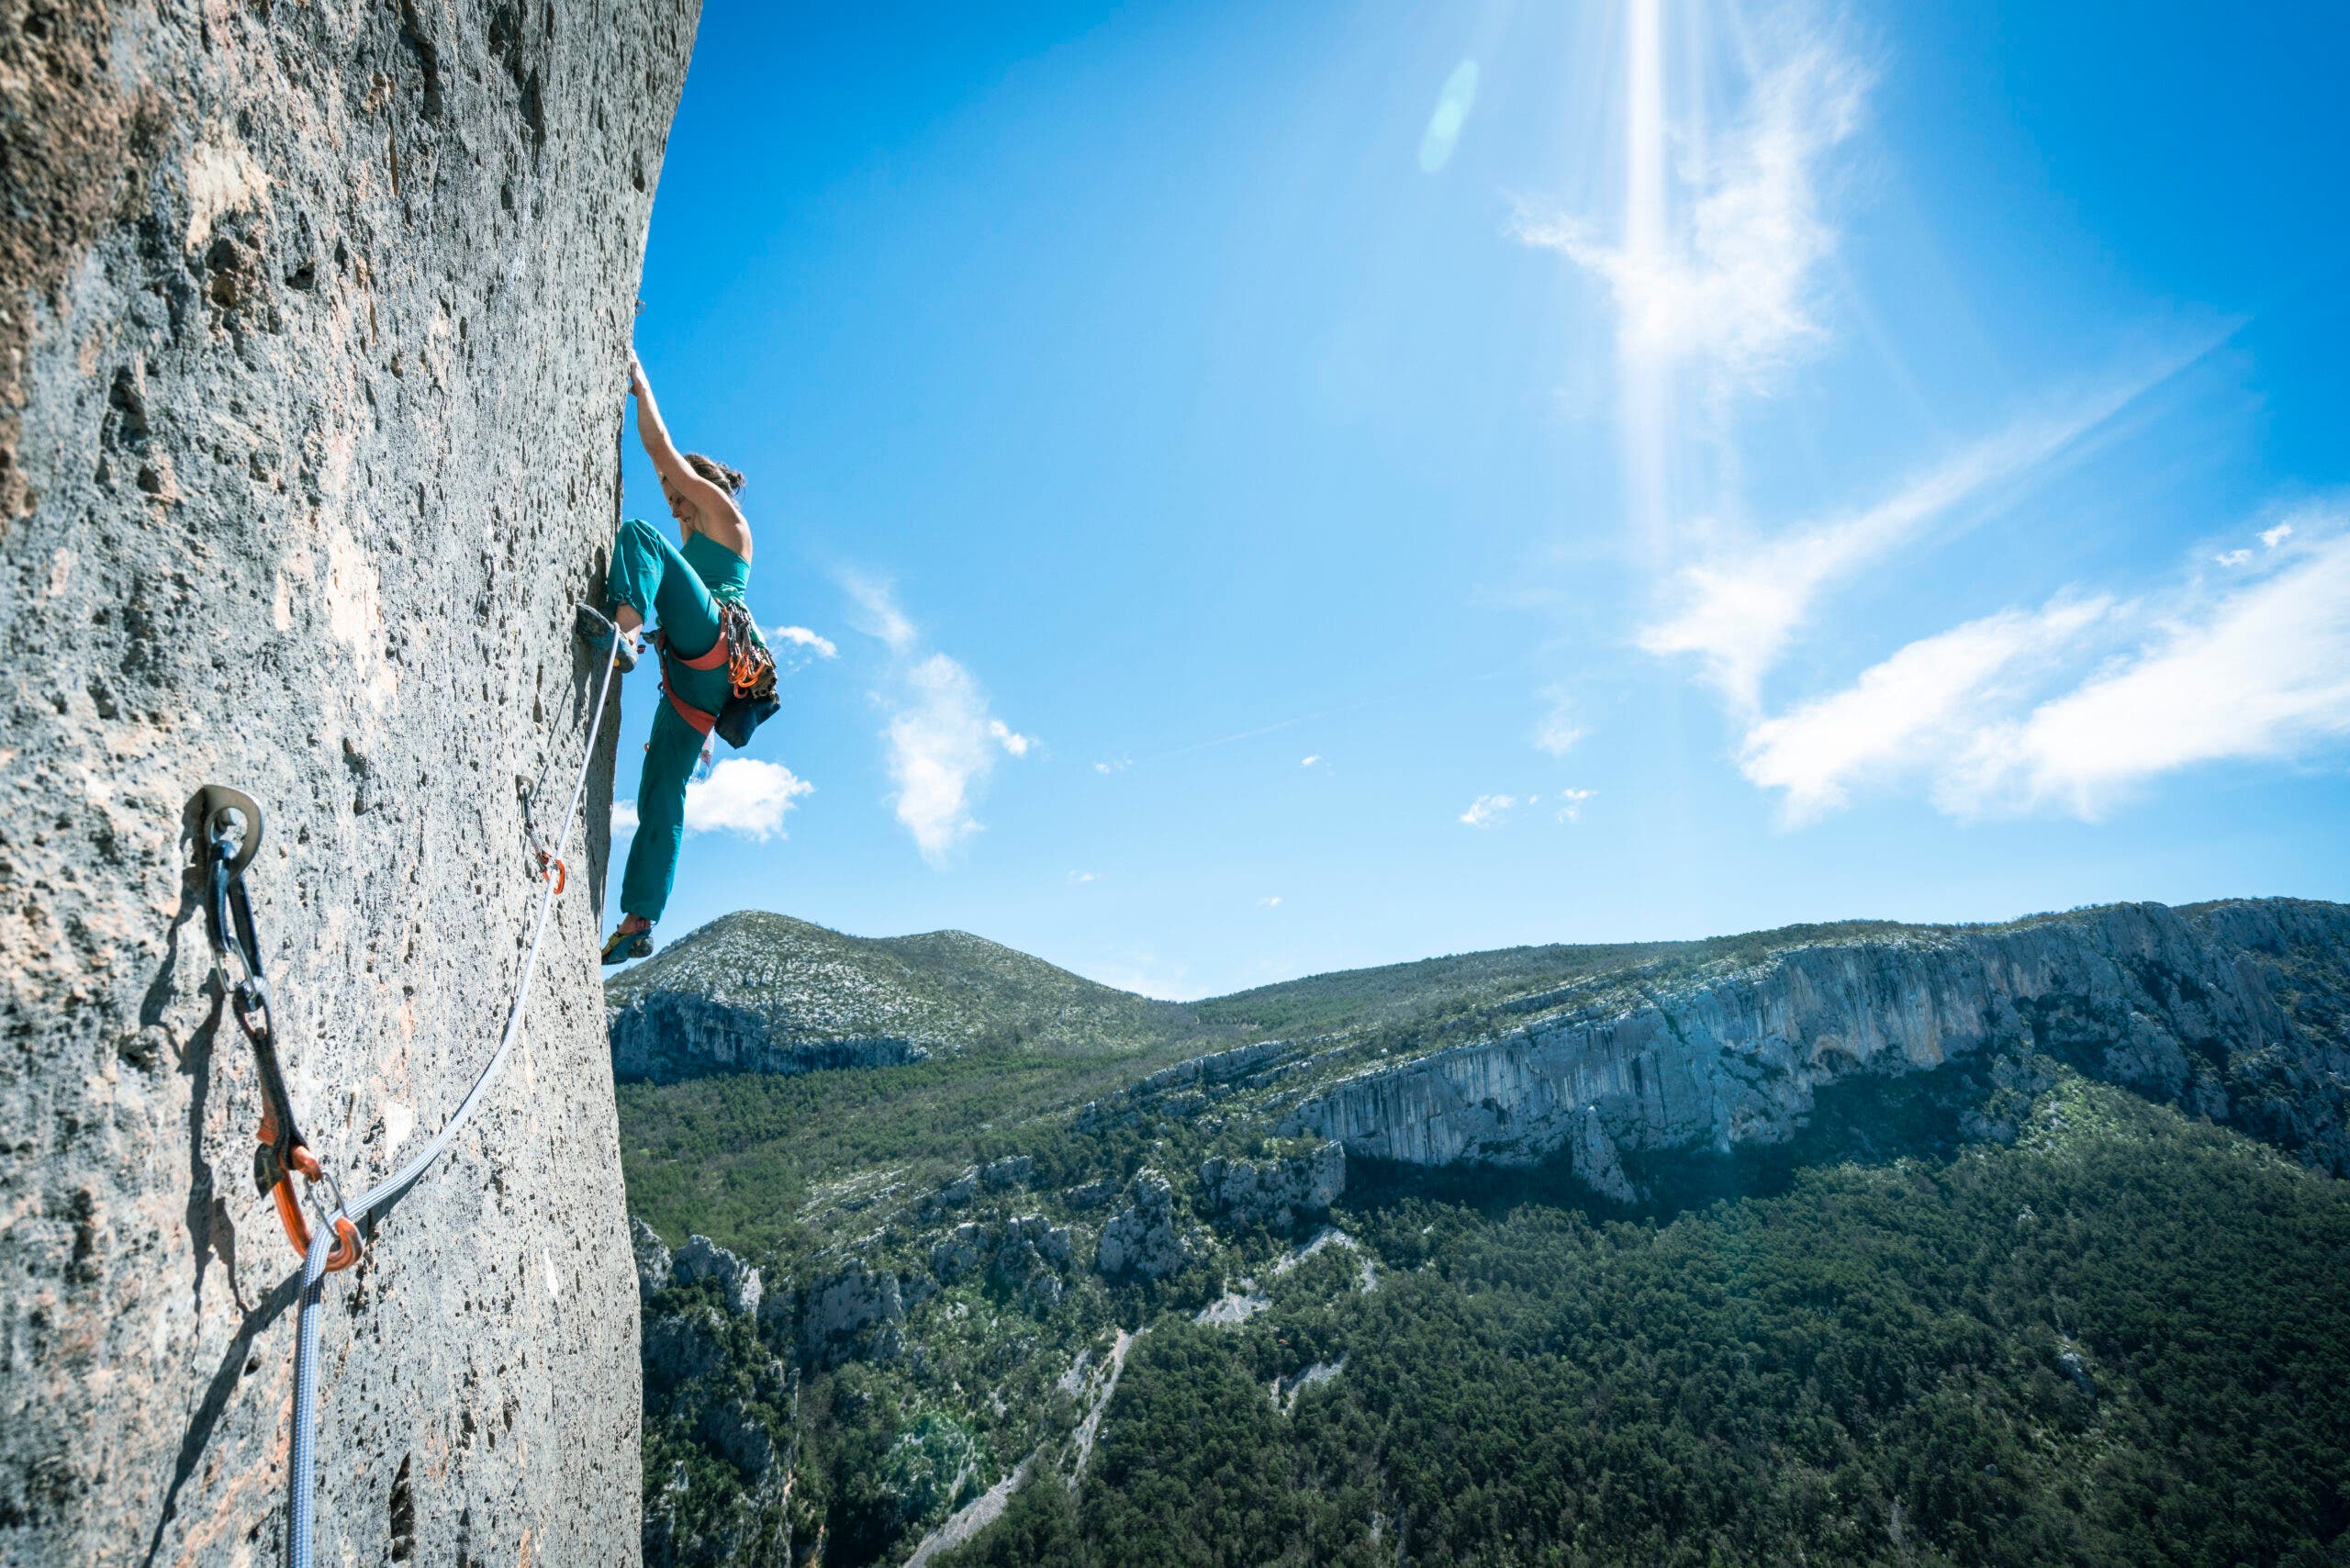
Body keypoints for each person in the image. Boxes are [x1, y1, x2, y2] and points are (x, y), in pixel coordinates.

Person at [582, 351, 755, 963]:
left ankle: (620, 637)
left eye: (677, 493)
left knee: (642, 539)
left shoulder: (725, 518)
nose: (672, 500)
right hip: (692, 679)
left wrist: (641, 385)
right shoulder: (697, 534)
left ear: (700, 487)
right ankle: (638, 921)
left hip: (706, 650)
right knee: (661, 788)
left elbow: (661, 450)